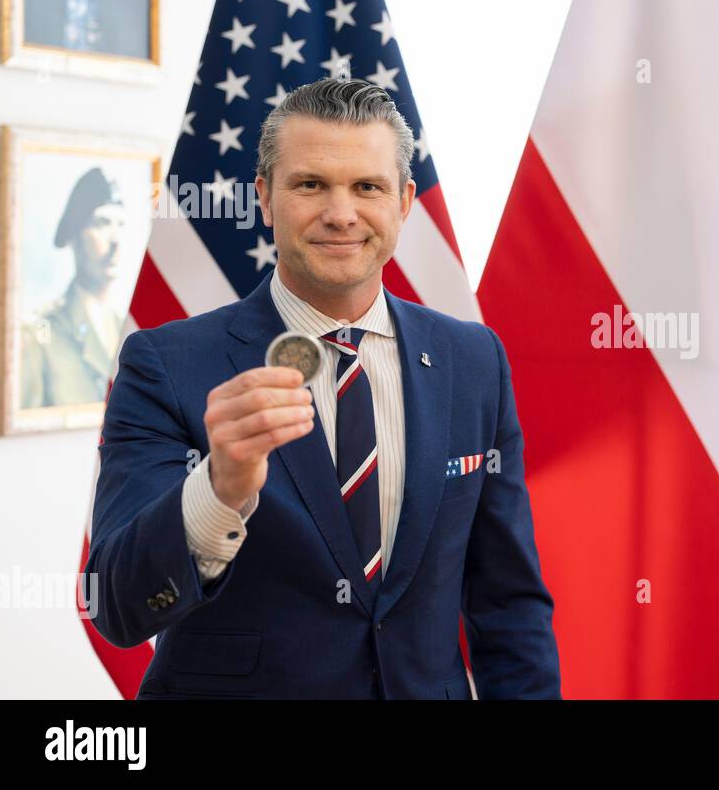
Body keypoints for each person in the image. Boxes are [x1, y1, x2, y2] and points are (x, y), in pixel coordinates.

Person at [86, 78, 560, 699]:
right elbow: (119, 607)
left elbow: (509, 603)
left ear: (405, 201)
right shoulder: (164, 365)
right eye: (310, 185)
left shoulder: (473, 360)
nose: (341, 213)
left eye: (368, 187)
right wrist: (219, 490)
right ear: (265, 197)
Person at [20, 166, 126, 408]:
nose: (115, 240)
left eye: (121, 224)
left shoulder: (126, 326)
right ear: (74, 235)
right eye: (101, 223)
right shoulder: (39, 332)